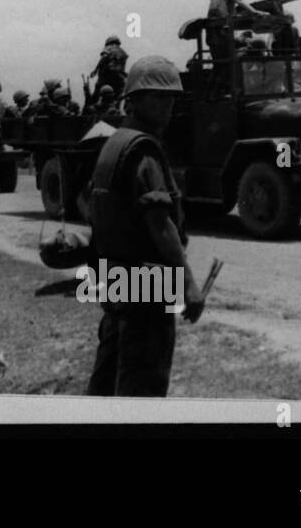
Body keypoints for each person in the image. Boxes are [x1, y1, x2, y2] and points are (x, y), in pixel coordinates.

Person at [86, 56, 205, 398]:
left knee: (108, 374)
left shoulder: (114, 142)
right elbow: (160, 225)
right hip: (146, 279)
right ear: (135, 100)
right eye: (158, 98)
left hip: (115, 275)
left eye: (171, 99)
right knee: (144, 383)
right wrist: (189, 284)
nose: (167, 107)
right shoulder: (143, 150)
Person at [90, 36, 129, 103]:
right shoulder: (123, 52)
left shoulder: (108, 48)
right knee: (117, 94)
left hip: (107, 74)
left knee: (97, 91)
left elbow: (104, 58)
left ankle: (92, 105)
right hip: (120, 76)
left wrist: (95, 70)